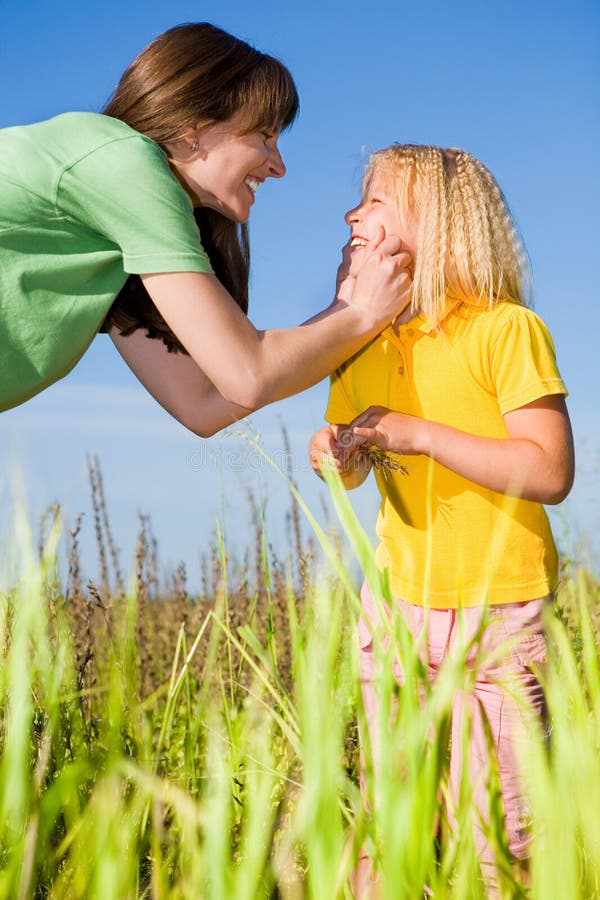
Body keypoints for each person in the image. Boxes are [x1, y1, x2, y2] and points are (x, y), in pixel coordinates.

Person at [309, 144, 575, 896]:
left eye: (377, 201)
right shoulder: (358, 342)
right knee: (395, 815)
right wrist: (343, 453)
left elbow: (549, 471)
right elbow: (361, 459)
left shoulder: (505, 330)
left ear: (445, 226)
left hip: (498, 612)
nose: (353, 214)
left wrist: (417, 432)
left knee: (504, 832)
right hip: (395, 608)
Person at [0, 23, 411, 436]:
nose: (278, 166)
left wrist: (353, 312)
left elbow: (203, 405)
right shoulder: (121, 162)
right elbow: (248, 375)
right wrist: (360, 313)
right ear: (191, 129)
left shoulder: (122, 238)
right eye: (265, 136)